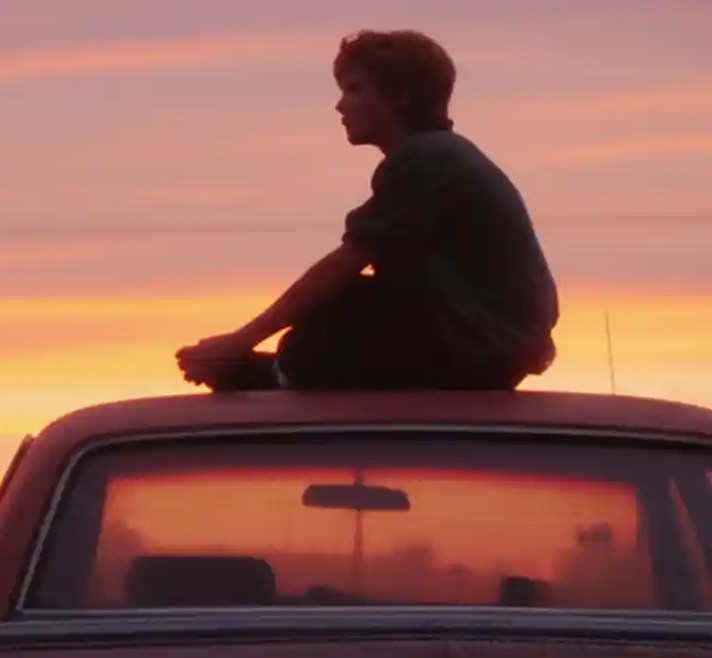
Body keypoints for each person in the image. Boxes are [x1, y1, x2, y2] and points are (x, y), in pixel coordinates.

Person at [176, 29, 559, 392]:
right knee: (343, 309)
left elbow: (346, 261)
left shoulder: (426, 158)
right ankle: (279, 373)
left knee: (332, 309)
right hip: (488, 344)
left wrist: (239, 341)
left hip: (476, 347)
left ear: (400, 96)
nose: (340, 105)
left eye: (354, 89)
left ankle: (277, 377)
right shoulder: (440, 156)